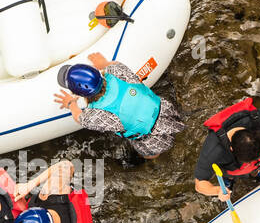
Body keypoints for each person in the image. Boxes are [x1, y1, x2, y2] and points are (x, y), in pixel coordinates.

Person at [54, 52, 185, 161]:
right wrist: (104, 64)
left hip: (151, 138)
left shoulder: (95, 115)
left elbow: (79, 117)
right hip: (166, 111)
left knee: (148, 154)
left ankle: (154, 157)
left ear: (77, 93)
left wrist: (71, 103)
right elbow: (113, 63)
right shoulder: (117, 70)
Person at [194, 98, 260, 199]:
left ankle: (256, 172)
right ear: (231, 148)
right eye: (248, 161)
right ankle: (229, 180)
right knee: (230, 174)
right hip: (231, 168)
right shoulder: (213, 149)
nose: (248, 163)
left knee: (255, 165)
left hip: (256, 162)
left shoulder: (259, 119)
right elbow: (199, 183)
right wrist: (217, 190)